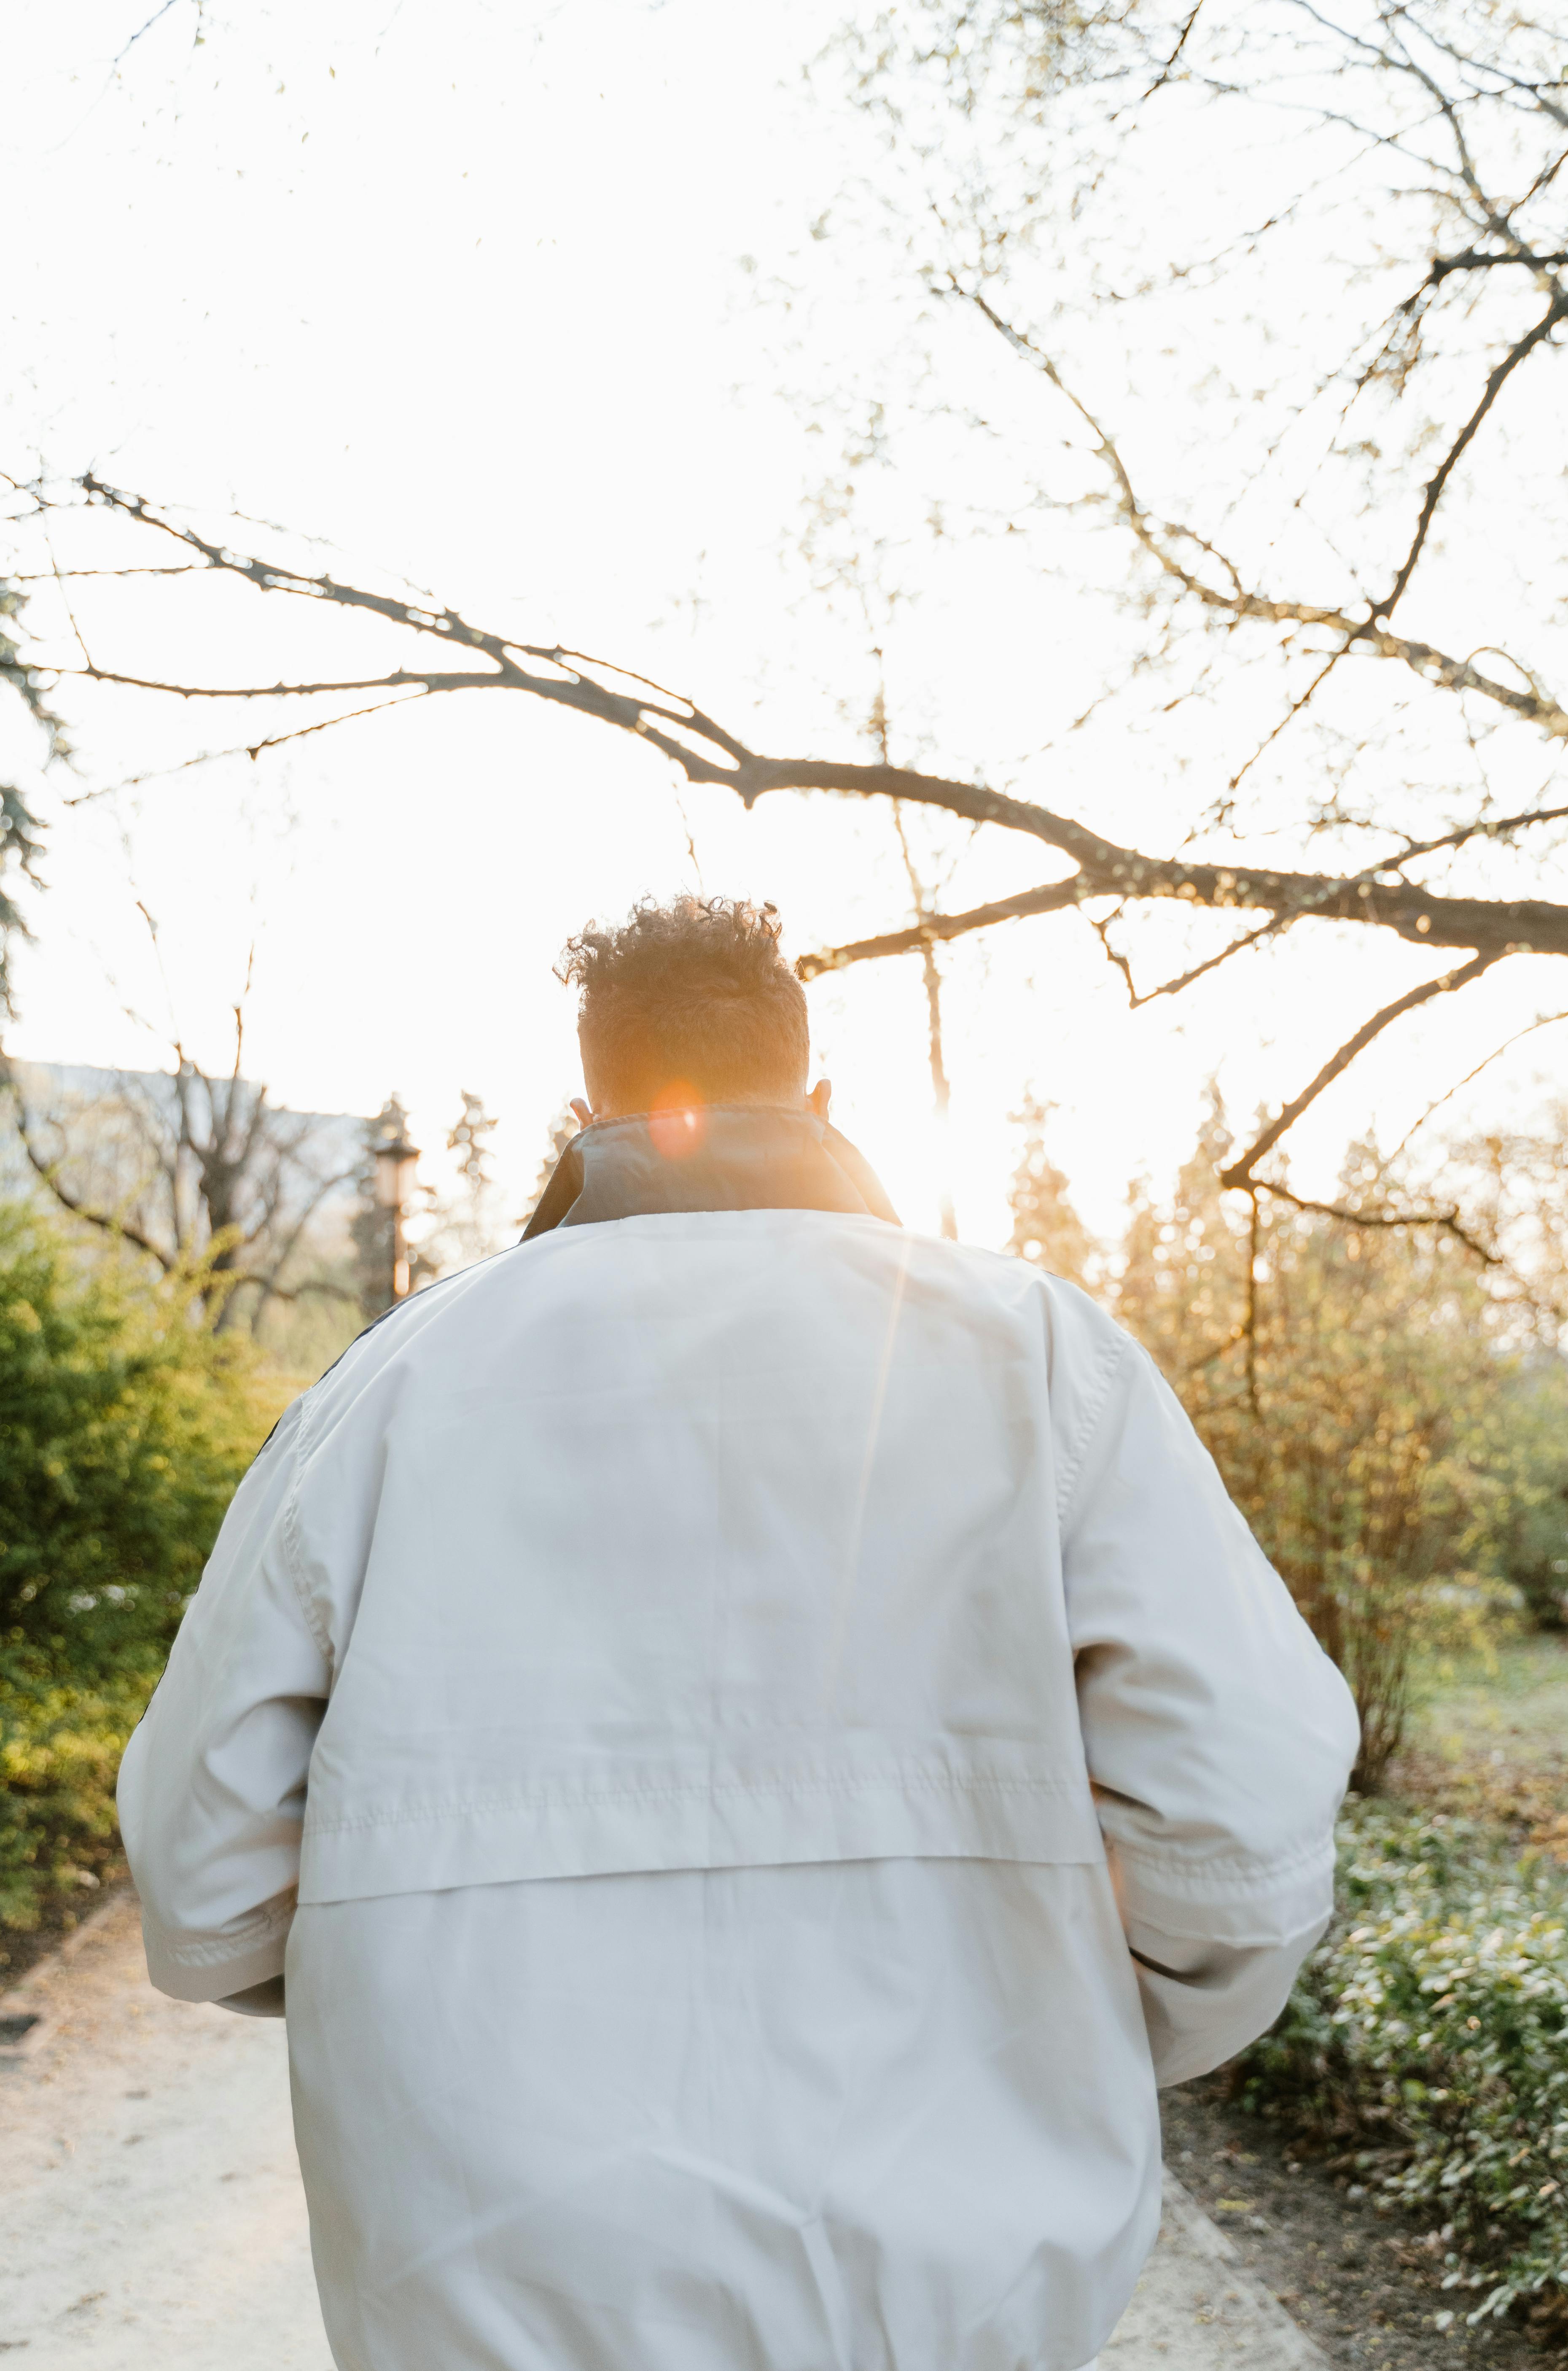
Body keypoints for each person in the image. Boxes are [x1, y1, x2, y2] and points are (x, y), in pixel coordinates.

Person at [118, 895, 1359, 2371]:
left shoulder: (382, 1395)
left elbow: (199, 1885)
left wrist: (392, 1997)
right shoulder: (1038, 1357)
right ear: (822, 1096)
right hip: (956, 2290)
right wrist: (1074, 2028)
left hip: (495, 2288)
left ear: (586, 1111)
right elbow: (1244, 1832)